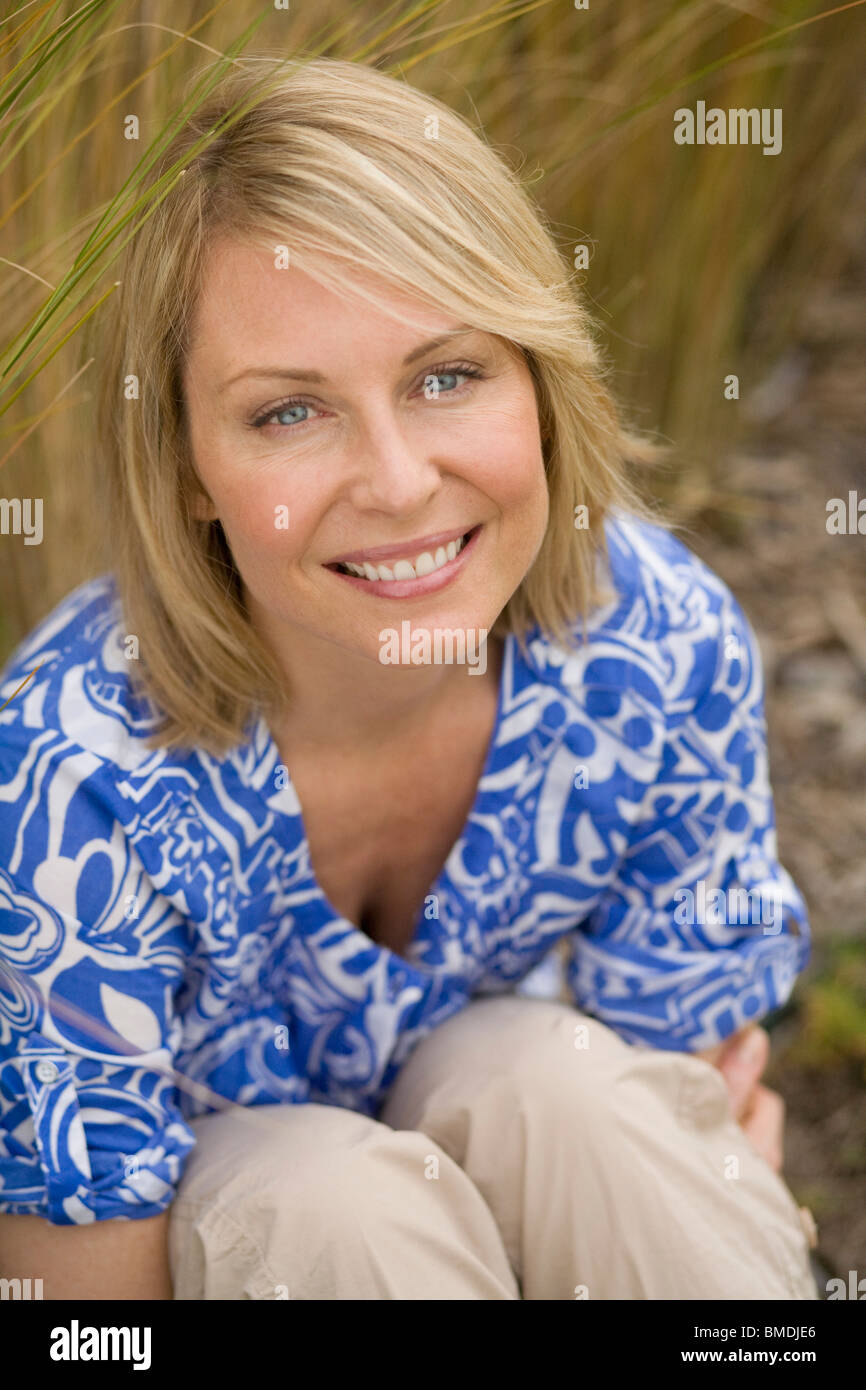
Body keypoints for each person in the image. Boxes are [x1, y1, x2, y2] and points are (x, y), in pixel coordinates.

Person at [0, 54, 818, 1300]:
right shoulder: (71, 778)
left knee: (556, 1091)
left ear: (540, 385)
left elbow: (700, 1125)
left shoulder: (648, 647)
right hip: (256, 1266)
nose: (392, 481)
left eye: (446, 376)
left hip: (539, 1188)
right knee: (320, 1203)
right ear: (184, 470)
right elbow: (83, 1318)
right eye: (288, 413)